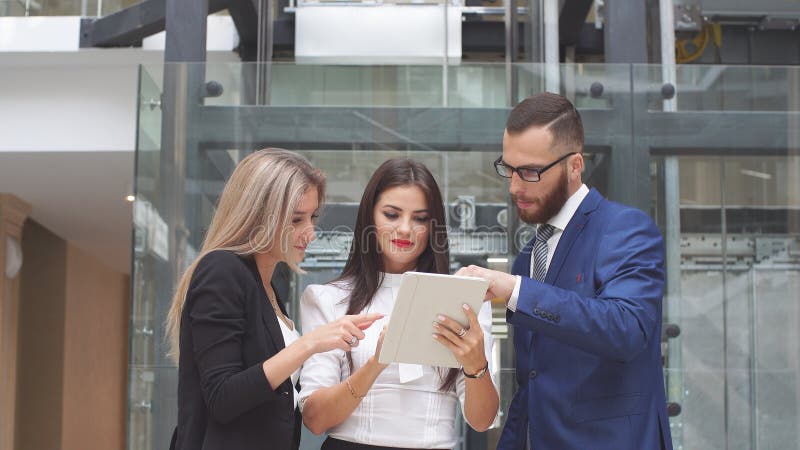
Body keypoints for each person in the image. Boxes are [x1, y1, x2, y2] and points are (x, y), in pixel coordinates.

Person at [457, 93, 674, 450]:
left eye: (529, 172)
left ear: (575, 166)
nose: (514, 186)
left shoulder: (626, 229)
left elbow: (627, 328)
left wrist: (515, 289)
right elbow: (532, 386)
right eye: (508, 169)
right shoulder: (528, 257)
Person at [165, 149, 382, 450]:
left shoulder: (268, 288)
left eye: (312, 217)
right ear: (258, 216)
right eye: (295, 219)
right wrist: (310, 344)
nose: (310, 232)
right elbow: (222, 398)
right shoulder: (222, 270)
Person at [298, 158, 500, 450]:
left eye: (420, 218)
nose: (405, 229)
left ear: (433, 227)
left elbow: (482, 421)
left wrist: (476, 365)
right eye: (392, 214)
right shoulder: (328, 299)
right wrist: (376, 363)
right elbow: (315, 420)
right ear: (370, 216)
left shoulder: (465, 299)